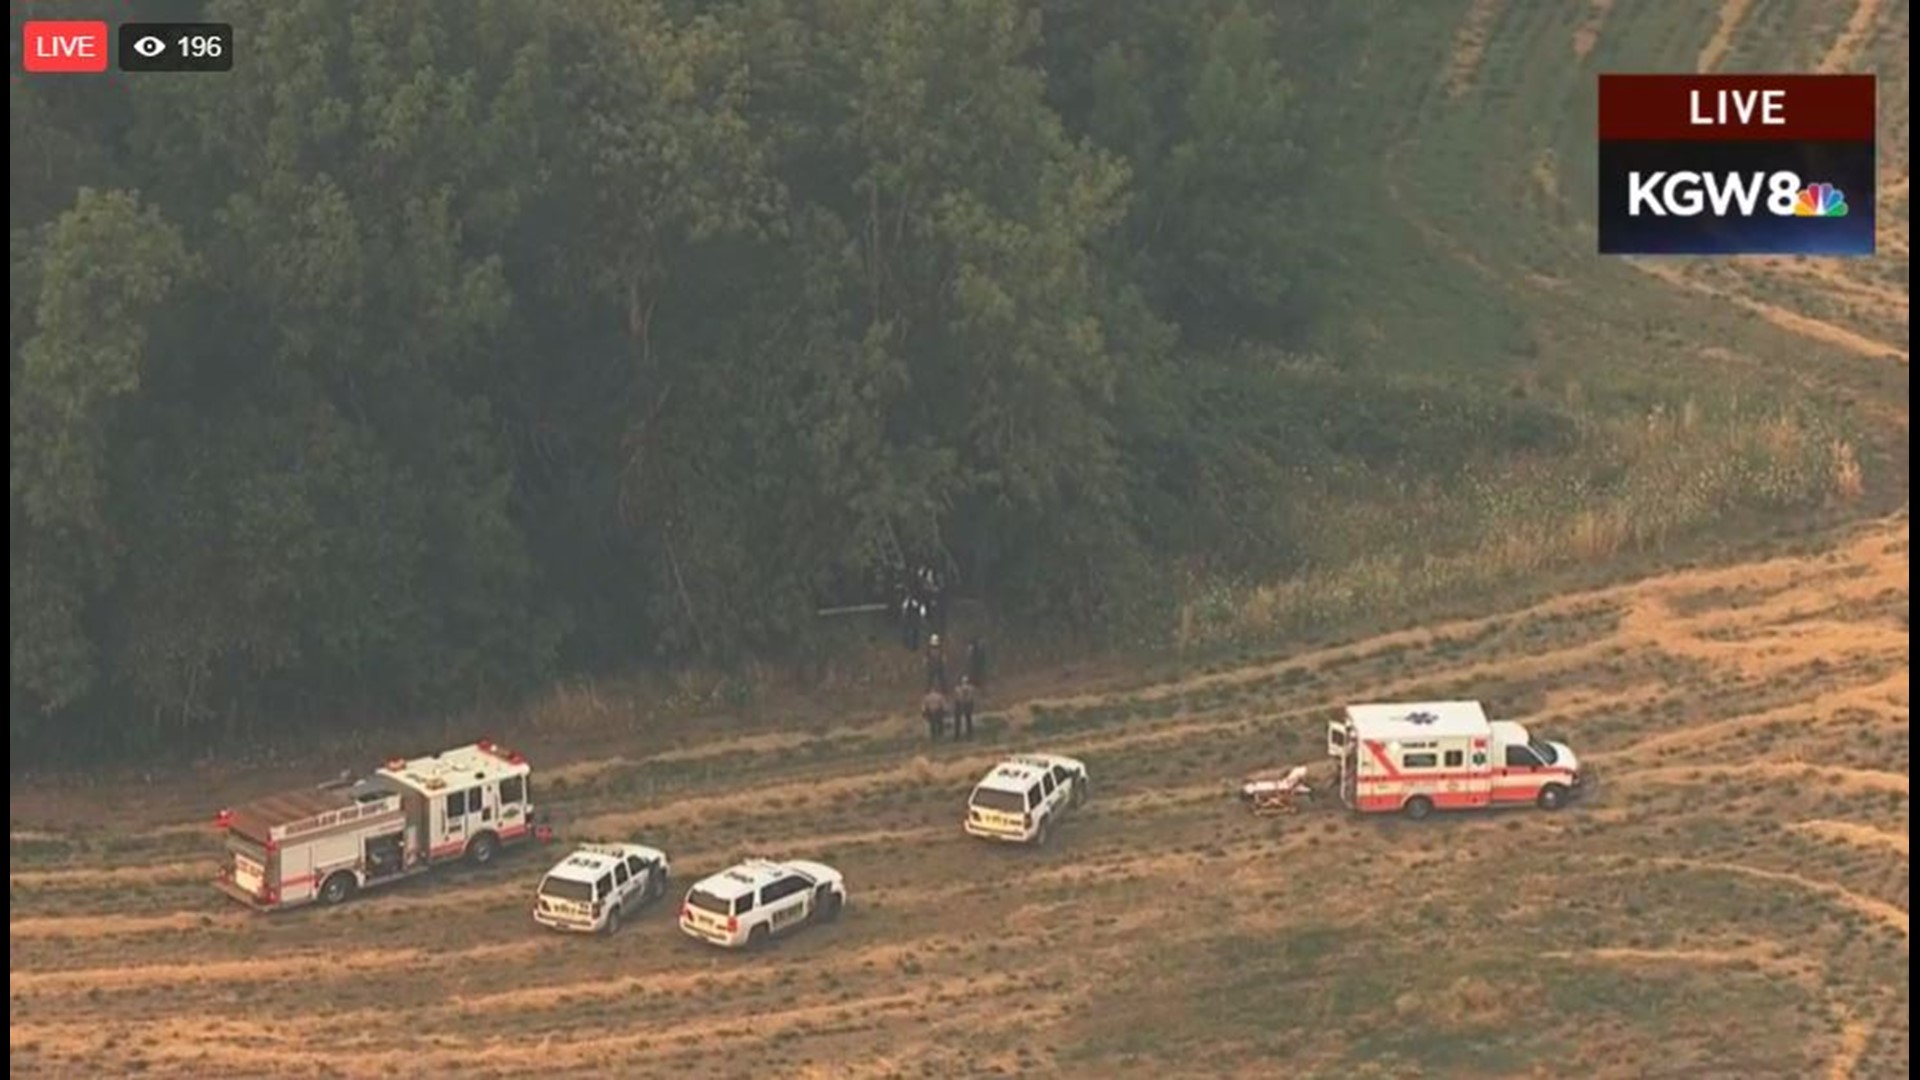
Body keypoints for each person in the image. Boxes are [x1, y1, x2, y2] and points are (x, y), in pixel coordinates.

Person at [952, 675, 976, 740]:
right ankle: (958, 736)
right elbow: (956, 697)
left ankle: (967, 736)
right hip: (962, 704)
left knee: (967, 720)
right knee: (963, 720)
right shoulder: (969, 688)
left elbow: (971, 697)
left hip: (964, 704)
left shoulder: (969, 688)